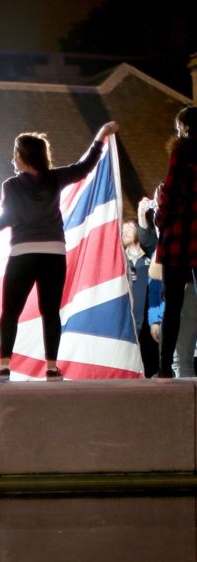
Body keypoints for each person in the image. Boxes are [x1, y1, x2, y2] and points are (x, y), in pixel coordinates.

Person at [0, 122, 119, 382]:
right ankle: (52, 368)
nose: (12, 159)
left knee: (10, 311)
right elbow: (85, 166)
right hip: (54, 253)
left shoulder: (11, 186)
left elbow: (2, 222)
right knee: (50, 311)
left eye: (15, 154)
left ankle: (4, 366)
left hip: (22, 253)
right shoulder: (55, 178)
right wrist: (102, 134)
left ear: (23, 157)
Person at [154, 105, 197, 380]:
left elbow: (169, 193)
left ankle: (165, 367)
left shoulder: (181, 151)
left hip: (180, 238)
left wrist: (159, 215)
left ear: (184, 126)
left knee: (172, 305)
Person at [122, 220, 159, 377]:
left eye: (130, 227)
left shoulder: (150, 259)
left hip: (148, 325)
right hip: (127, 324)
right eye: (122, 230)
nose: (125, 231)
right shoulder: (120, 261)